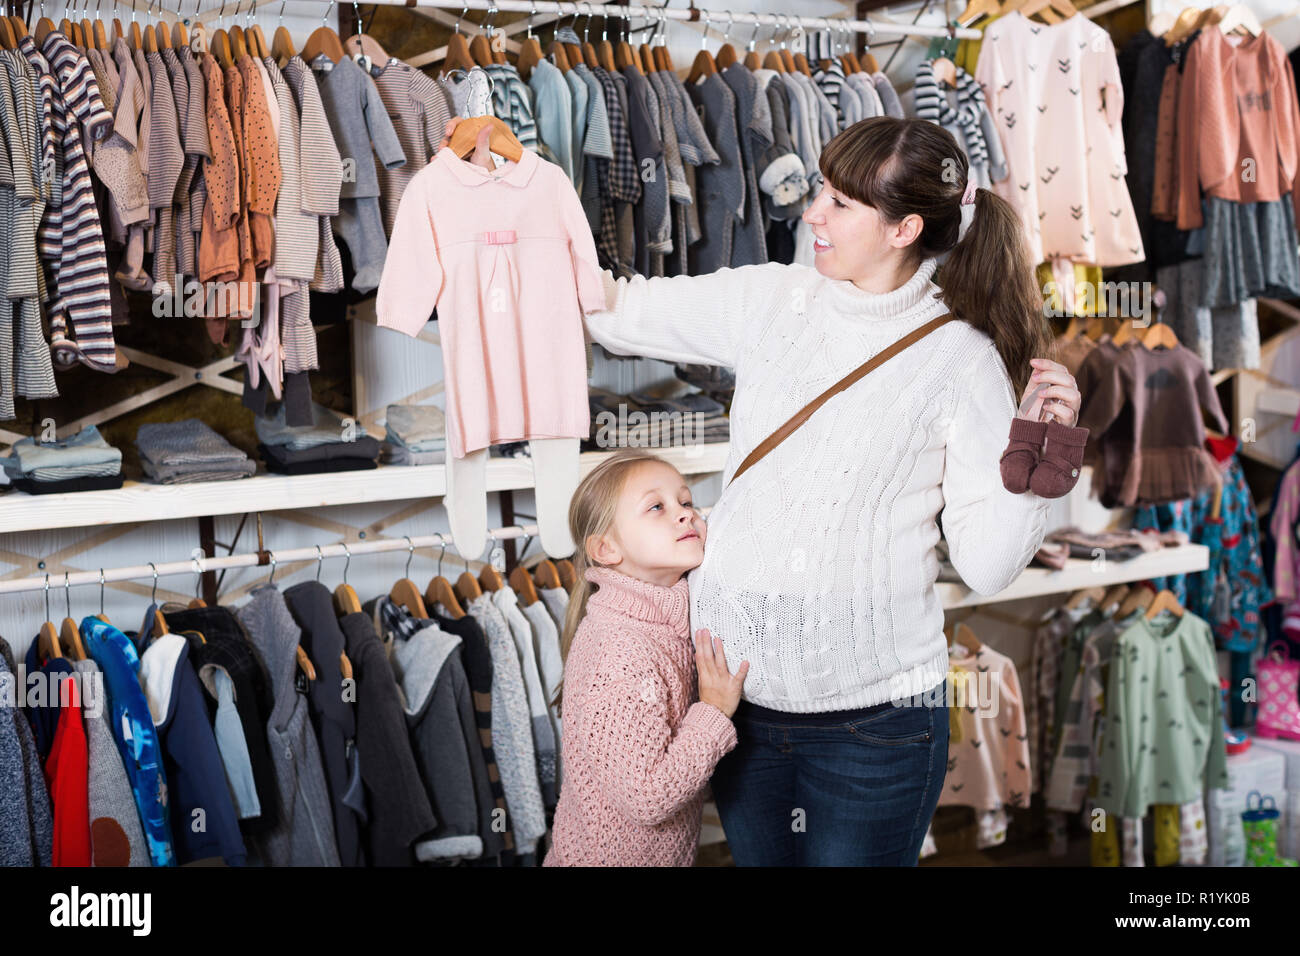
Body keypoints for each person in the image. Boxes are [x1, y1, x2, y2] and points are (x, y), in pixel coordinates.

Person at [440, 115, 1082, 866]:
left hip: (877, 725)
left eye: (841, 202)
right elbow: (616, 310)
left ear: (905, 227)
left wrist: (1037, 462)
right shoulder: (775, 300)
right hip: (739, 707)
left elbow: (986, 565)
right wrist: (511, 198)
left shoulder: (961, 362)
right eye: (821, 190)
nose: (813, 211)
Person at [543, 450, 748, 866]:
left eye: (686, 502)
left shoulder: (662, 621)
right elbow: (648, 796)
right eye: (657, 507)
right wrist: (713, 710)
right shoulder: (617, 650)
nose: (684, 515)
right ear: (606, 547)